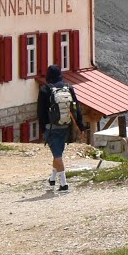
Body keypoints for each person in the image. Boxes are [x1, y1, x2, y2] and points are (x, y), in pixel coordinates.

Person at [37, 64, 78, 192]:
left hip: (51, 127)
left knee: (57, 154)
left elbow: (40, 112)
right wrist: (79, 125)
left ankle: (64, 184)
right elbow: (76, 107)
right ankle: (53, 178)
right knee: (57, 152)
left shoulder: (45, 90)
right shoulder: (68, 88)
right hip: (65, 124)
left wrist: (43, 127)